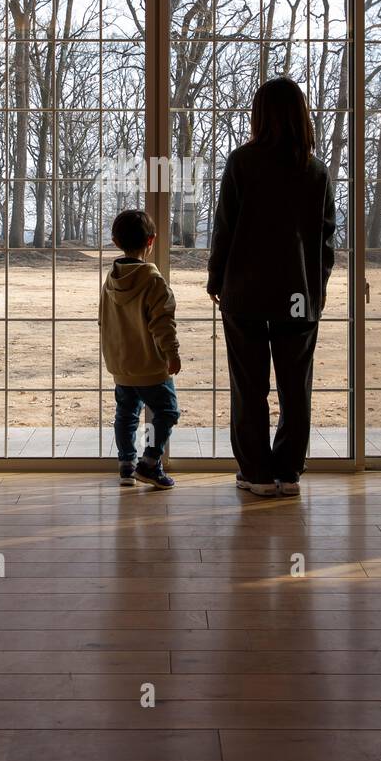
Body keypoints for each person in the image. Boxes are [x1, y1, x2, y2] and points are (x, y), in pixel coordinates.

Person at [207, 77, 336, 498]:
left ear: (259, 114)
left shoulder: (242, 162)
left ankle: (257, 474)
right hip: (299, 296)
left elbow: (225, 228)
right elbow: (326, 241)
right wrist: (315, 288)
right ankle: (289, 474)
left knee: (249, 386)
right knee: (295, 387)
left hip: (244, 291)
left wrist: (216, 277)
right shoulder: (315, 171)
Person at [99, 209, 181, 489]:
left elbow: (103, 319)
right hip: (149, 366)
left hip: (121, 365)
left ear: (114, 240)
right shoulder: (153, 280)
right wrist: (172, 353)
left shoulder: (110, 279)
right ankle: (148, 463)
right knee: (167, 411)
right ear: (152, 241)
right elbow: (163, 323)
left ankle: (126, 465)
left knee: (126, 414)